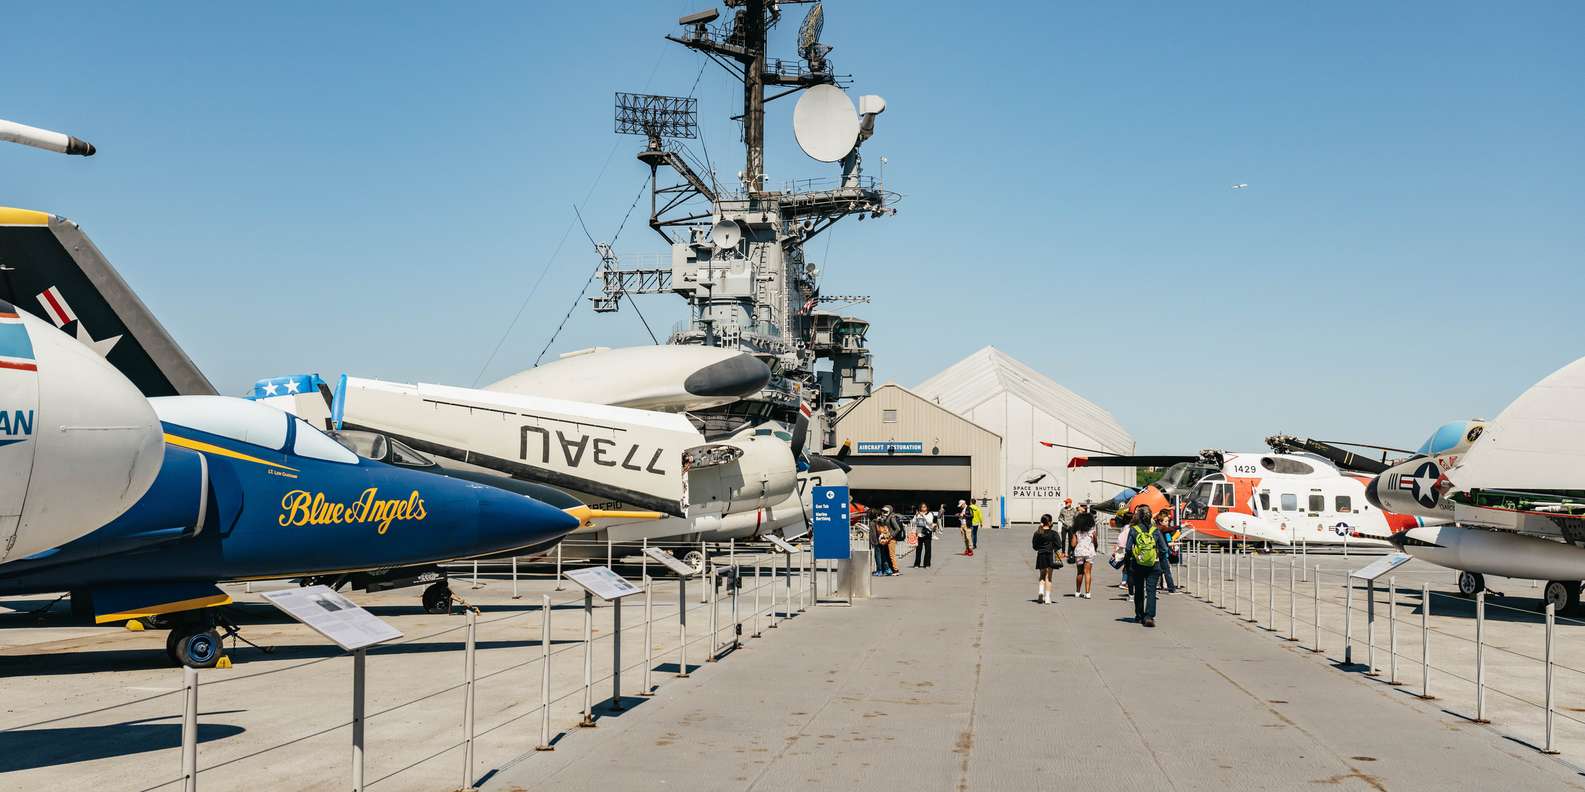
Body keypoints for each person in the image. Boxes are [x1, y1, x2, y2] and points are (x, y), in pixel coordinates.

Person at [1123, 508, 1170, 627]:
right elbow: (1164, 549)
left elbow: (1128, 549)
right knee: (1151, 591)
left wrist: (1131, 558)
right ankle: (1149, 616)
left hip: (1138, 564)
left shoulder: (1134, 530)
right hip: (1154, 564)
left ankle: (1139, 615)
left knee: (1139, 589)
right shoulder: (1156, 530)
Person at [1031, 514, 1062, 603]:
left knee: (1042, 575)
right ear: (1049, 522)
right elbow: (1059, 545)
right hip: (1050, 555)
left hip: (1041, 555)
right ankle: (1047, 597)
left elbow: (1035, 547)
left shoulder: (1037, 533)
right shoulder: (1054, 533)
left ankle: (1041, 593)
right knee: (1049, 577)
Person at [1069, 504, 1096, 598]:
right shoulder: (1092, 531)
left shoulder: (1077, 531)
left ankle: (1077, 591)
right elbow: (1095, 541)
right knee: (1088, 572)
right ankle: (1088, 593)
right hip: (1089, 553)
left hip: (1079, 553)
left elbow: (1073, 544)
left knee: (1080, 572)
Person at [881, 506, 904, 576]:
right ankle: (891, 569)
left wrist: (891, 536)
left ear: (890, 510)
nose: (883, 513)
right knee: (887, 554)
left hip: (891, 539)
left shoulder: (892, 517)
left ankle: (896, 570)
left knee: (892, 555)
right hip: (887, 538)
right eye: (883, 511)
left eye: (885, 511)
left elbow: (898, 528)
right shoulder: (887, 517)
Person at [872, 508, 895, 576]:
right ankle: (887, 569)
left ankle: (880, 570)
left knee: (878, 556)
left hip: (879, 541)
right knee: (883, 556)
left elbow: (874, 533)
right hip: (883, 541)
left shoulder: (875, 522)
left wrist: (874, 542)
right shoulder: (883, 521)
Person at [912, 503, 936, 568]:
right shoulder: (918, 514)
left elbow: (930, 522)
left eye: (924, 507)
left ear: (927, 508)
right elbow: (913, 522)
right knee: (918, 549)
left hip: (927, 532)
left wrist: (923, 516)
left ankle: (927, 564)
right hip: (919, 533)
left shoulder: (930, 514)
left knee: (928, 549)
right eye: (922, 507)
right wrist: (916, 516)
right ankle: (917, 564)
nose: (923, 508)